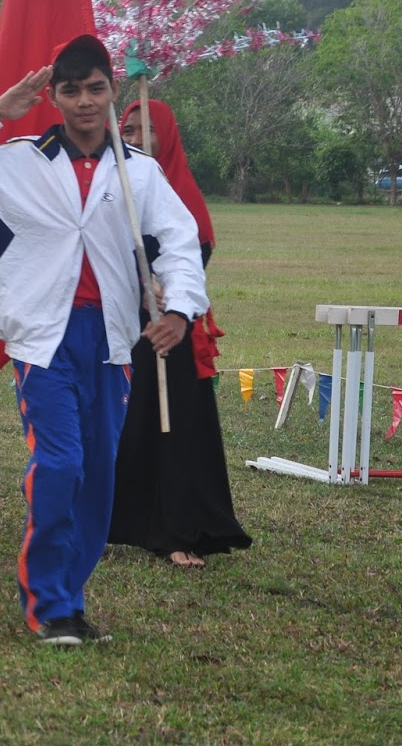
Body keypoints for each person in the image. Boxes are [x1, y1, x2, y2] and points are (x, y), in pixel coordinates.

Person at [0, 35, 208, 644]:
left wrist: (179, 311)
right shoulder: (14, 160)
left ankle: (70, 599)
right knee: (61, 463)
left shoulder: (139, 173)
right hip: (42, 338)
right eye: (71, 89)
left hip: (110, 340)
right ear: (51, 96)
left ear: (111, 93)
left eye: (96, 88)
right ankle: (48, 604)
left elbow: (181, 244)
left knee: (100, 473)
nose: (84, 101)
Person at [111, 99, 251, 567]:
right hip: (127, 329)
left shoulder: (180, 191)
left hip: (171, 334)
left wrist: (164, 290)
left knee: (173, 433)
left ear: (166, 135)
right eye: (127, 130)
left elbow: (195, 255)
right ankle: (117, 522)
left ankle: (176, 530)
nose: (133, 138)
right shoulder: (121, 183)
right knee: (127, 428)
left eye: (144, 130)